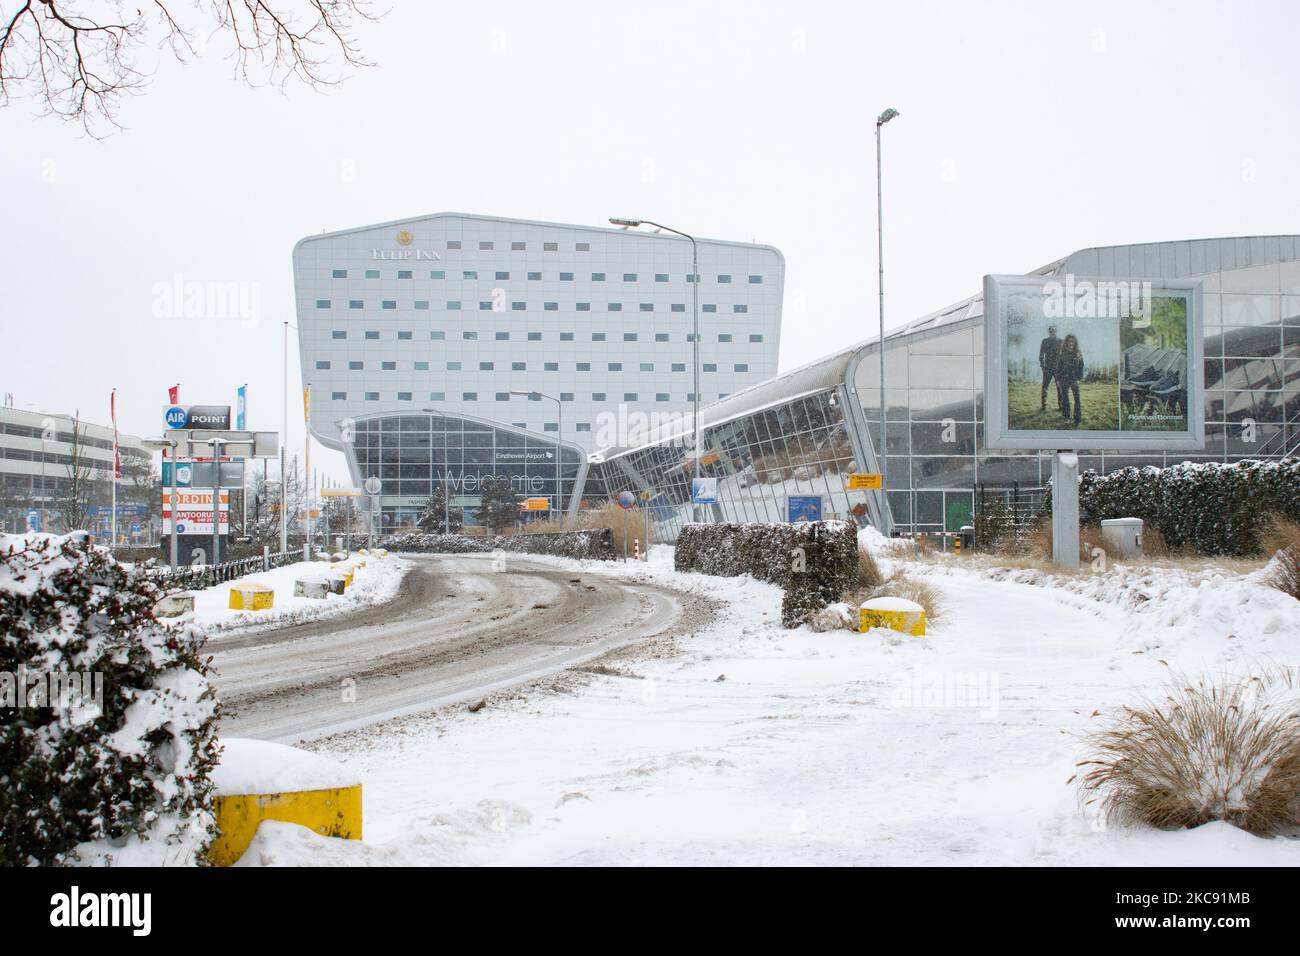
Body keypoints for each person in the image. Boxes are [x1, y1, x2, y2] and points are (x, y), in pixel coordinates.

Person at [1056, 334, 1085, 426]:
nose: (1071, 343)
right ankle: (1066, 416)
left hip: (1074, 379)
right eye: (1069, 341)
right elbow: (1058, 367)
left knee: (1077, 399)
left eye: (1073, 341)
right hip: (1064, 379)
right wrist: (1058, 379)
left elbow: (1081, 366)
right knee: (1065, 398)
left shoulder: (1078, 353)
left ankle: (1077, 419)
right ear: (1066, 342)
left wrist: (1079, 378)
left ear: (1075, 342)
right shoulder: (1062, 353)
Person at [1038, 325, 1062, 412]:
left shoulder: (1061, 341)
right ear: (1049, 332)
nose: (1053, 332)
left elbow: (1063, 356)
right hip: (1047, 368)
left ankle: (1061, 406)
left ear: (1056, 331)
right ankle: (1043, 405)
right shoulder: (1044, 341)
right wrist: (1042, 366)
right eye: (1051, 331)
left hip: (1058, 369)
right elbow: (1041, 355)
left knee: (1059, 387)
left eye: (1054, 331)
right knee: (1045, 386)